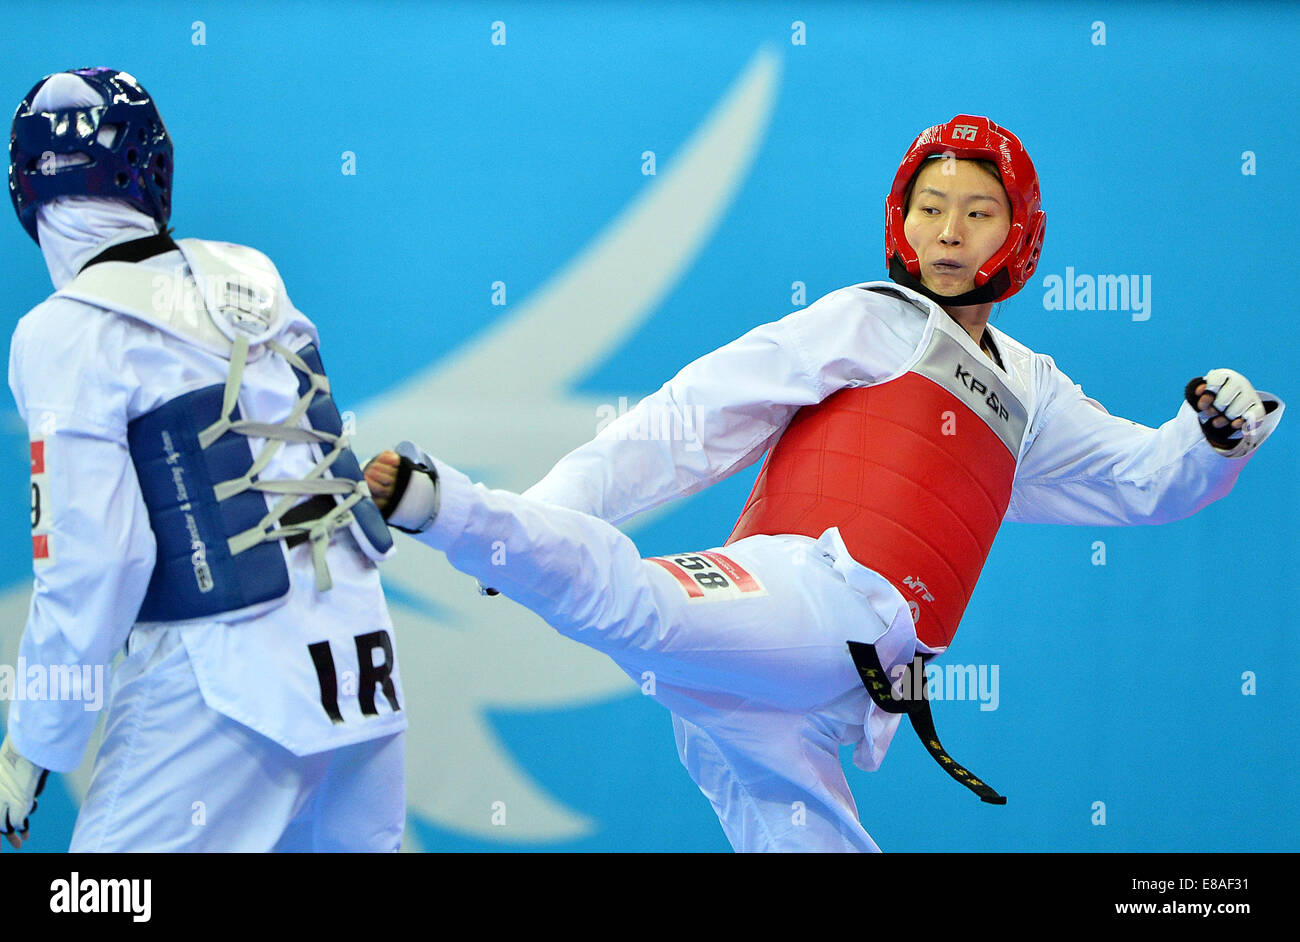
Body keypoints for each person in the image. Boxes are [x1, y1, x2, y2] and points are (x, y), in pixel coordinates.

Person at [362, 114, 1283, 852]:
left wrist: (1215, 437)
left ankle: (478, 524)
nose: (949, 232)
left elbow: (1148, 483)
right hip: (789, 611)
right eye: (930, 207)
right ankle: (462, 512)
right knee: (643, 611)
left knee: (651, 628)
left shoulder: (1032, 390)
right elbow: (691, 421)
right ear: (900, 219)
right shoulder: (872, 320)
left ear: (1021, 234)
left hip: (845, 672)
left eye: (977, 211)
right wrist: (551, 513)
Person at [0, 68, 406, 852]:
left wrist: (34, 741)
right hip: (364, 680)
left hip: (225, 694)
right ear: (154, 172)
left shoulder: (64, 332)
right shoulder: (256, 281)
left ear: (25, 191)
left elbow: (98, 564)